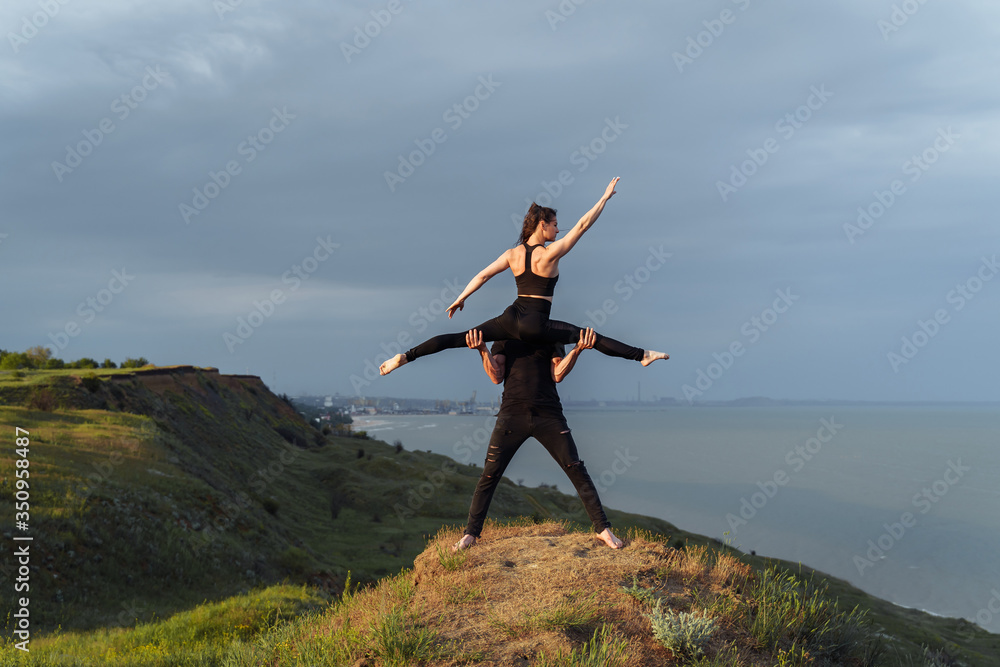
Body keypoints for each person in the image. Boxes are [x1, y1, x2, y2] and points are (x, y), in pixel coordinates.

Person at [379, 177, 669, 375]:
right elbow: (582, 226)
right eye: (555, 225)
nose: (559, 229)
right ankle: (640, 356)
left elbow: (482, 276)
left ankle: (405, 357)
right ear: (542, 225)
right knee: (589, 336)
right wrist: (604, 198)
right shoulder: (549, 253)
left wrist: (460, 298)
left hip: (509, 319)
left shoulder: (512, 254)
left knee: (459, 338)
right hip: (535, 322)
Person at [454, 327, 623, 551]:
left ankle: (603, 529)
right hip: (511, 416)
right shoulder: (504, 334)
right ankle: (471, 534)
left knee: (575, 468)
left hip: (549, 415)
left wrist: (578, 349)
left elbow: (557, 374)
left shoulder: (551, 334)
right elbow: (496, 376)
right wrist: (482, 349)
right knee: (489, 473)